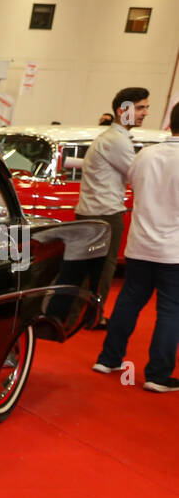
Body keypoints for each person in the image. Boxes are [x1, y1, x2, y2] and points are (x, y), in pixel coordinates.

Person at [91, 100, 179, 392]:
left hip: (140, 244)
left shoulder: (145, 155)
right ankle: (157, 375)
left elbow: (133, 188)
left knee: (129, 301)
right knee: (170, 310)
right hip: (173, 250)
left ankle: (108, 358)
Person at [74, 86, 150, 328]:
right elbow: (138, 175)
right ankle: (93, 317)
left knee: (86, 270)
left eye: (146, 107)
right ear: (122, 110)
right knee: (103, 269)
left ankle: (79, 315)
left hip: (91, 211)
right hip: (105, 214)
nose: (145, 113)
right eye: (140, 108)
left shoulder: (110, 137)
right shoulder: (118, 140)